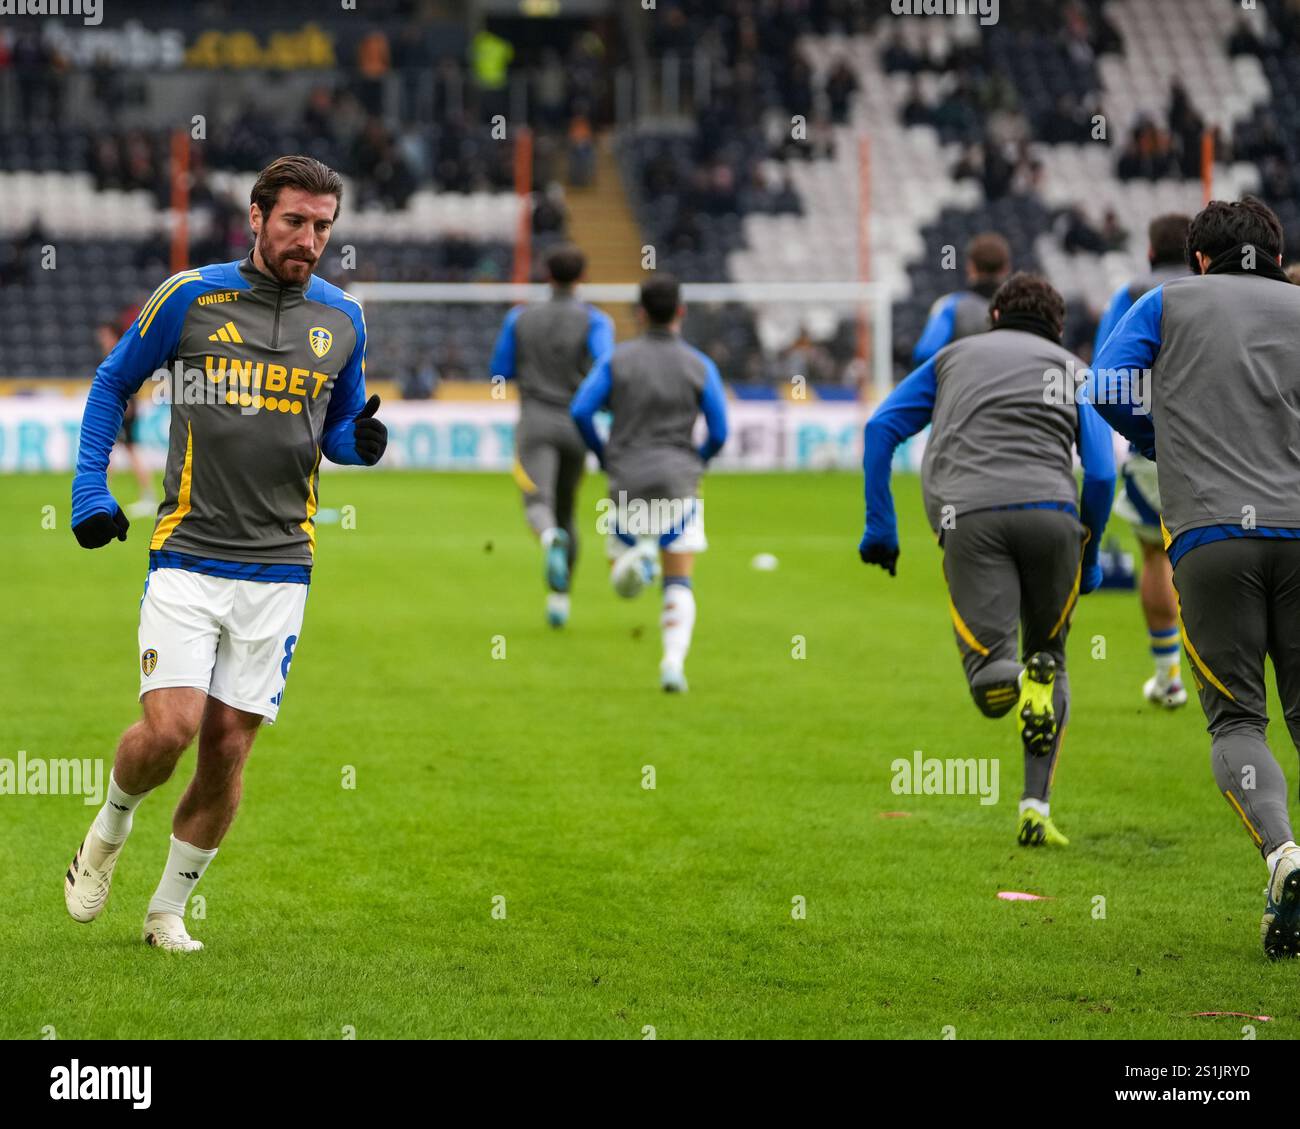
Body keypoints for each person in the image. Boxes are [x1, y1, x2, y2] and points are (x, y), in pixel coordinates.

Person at [65, 155, 388, 952]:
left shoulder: (343, 318)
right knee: (170, 730)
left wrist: (360, 442)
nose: (308, 240)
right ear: (255, 215)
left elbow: (338, 422)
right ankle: (109, 826)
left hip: (282, 566)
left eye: (322, 226)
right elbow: (113, 384)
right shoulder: (190, 297)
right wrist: (88, 491)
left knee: (228, 747)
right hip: (188, 552)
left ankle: (167, 910)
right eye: (294, 222)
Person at [1092, 196, 1300, 959]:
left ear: (1200, 257)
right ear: (1274, 252)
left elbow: (1106, 387)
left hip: (1212, 533)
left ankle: (1284, 855)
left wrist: (1164, 440)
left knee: (1239, 721)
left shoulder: (1167, 300)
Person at [861, 273, 1115, 847]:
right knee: (1051, 657)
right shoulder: (1073, 369)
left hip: (968, 517)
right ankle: (1035, 808)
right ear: (1058, 327)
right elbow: (1101, 472)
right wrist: (1090, 550)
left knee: (988, 683)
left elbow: (881, 428)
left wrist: (881, 525)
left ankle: (1024, 683)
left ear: (994, 317)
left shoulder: (954, 357)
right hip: (1053, 516)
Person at [570, 274, 728, 692]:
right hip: (679, 479)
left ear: (639, 314)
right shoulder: (699, 365)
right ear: (681, 312)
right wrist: (700, 460)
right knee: (679, 580)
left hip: (627, 478)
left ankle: (637, 557)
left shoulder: (617, 361)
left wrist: (604, 455)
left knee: (623, 585)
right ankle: (673, 662)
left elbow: (582, 410)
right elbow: (720, 430)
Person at [1094, 213, 1192, 708]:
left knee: (1156, 554)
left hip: (1156, 444)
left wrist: (1145, 437)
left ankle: (1169, 676)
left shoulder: (1131, 292)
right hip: (1232, 447)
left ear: (1151, 253)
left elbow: (1103, 371)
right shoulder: (1217, 289)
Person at [489, 244, 614, 627]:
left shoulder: (520, 317)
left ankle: (548, 540)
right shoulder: (596, 321)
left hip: (536, 420)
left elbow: (499, 369)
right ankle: (560, 600)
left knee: (536, 503)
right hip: (578, 423)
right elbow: (606, 369)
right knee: (567, 510)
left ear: (547, 276)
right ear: (582, 279)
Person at [911, 232, 1011, 365]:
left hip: (963, 383)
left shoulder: (950, 306)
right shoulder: (1023, 307)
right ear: (1006, 268)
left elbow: (925, 353)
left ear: (970, 267)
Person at [94, 320, 158, 519]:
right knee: (114, 451)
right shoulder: (118, 352)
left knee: (122, 451)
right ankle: (104, 494)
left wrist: (126, 407)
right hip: (124, 408)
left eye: (104, 335)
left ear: (113, 335)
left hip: (125, 409)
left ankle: (146, 496)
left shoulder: (120, 353)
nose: (101, 340)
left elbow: (128, 382)